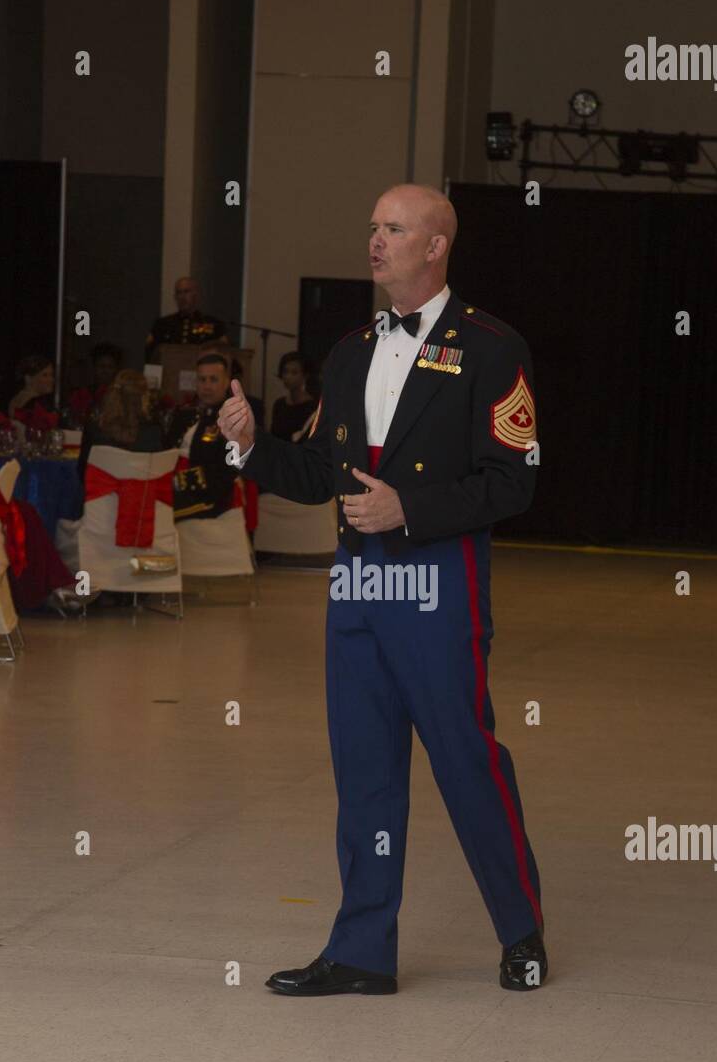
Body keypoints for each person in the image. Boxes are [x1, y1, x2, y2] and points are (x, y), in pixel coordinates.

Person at [219, 182, 546, 997]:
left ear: (436, 246)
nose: (374, 241)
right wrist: (251, 447)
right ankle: (364, 949)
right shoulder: (352, 349)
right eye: (371, 227)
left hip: (439, 577)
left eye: (393, 229)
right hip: (358, 580)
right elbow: (319, 472)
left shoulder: (492, 347)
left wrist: (413, 507)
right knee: (363, 769)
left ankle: (521, 932)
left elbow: (515, 482)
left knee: (466, 760)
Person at [172, 351, 242, 522]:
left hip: (208, 500)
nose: (207, 386)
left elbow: (224, 475)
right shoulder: (186, 415)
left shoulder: (233, 419)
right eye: (202, 380)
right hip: (180, 491)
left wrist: (176, 483)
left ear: (226, 383)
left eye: (214, 379)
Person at [78, 369, 169, 478]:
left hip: (102, 494)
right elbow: (160, 474)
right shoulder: (153, 433)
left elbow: (82, 471)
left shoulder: (94, 430)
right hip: (140, 493)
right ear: (143, 398)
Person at [144, 277, 228, 362]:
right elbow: (151, 353)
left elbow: (224, 352)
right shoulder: (163, 324)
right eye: (179, 293)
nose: (182, 297)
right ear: (175, 297)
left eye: (186, 292)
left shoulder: (211, 323)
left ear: (196, 295)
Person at [67, 343, 122, 425]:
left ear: (116, 369)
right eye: (101, 366)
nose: (105, 371)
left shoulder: (121, 395)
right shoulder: (80, 395)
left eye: (110, 367)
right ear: (94, 368)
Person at [269, 352, 319, 442]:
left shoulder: (313, 407)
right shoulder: (279, 404)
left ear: (305, 375)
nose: (288, 376)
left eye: (294, 372)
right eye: (285, 371)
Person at [9, 355, 56, 423]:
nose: (51, 380)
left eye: (51, 375)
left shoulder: (14, 400)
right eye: (45, 375)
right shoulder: (38, 404)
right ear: (28, 378)